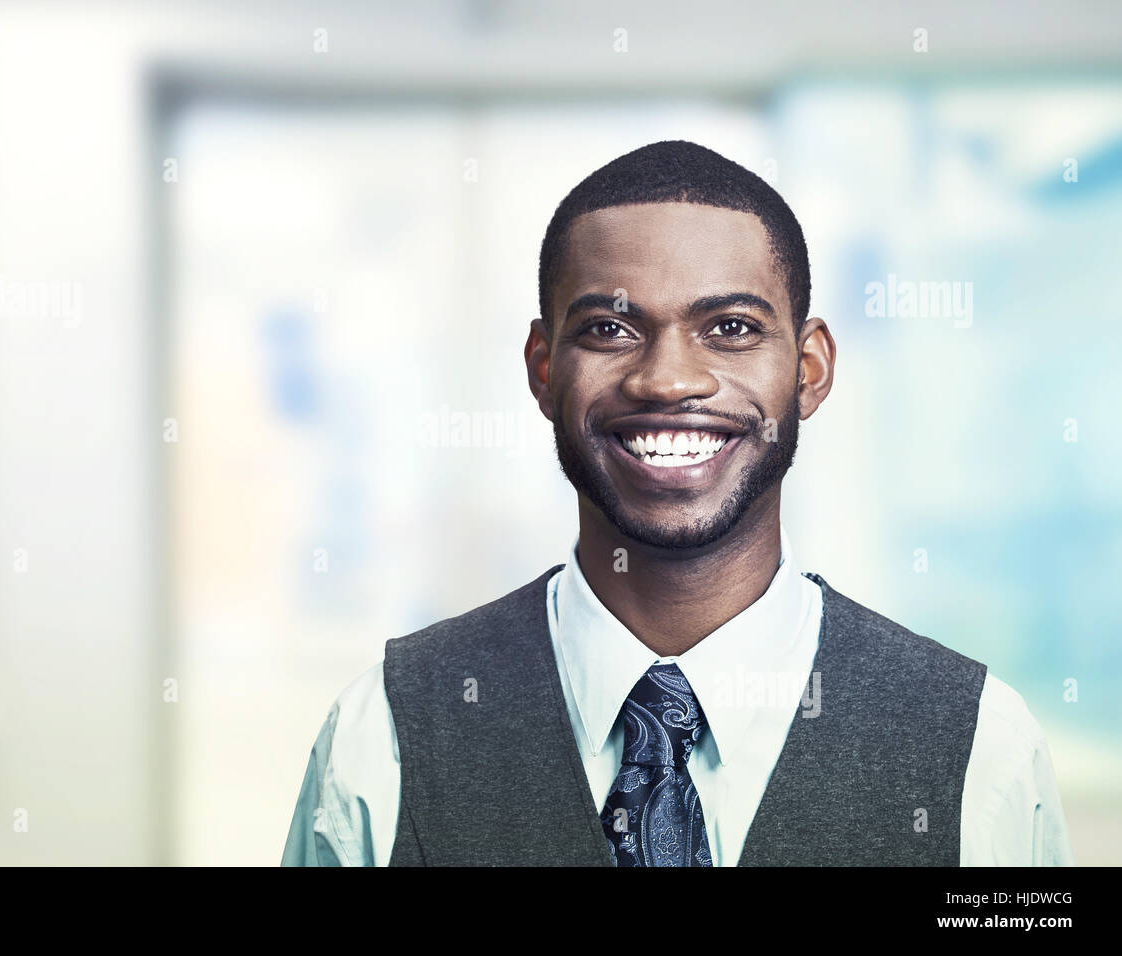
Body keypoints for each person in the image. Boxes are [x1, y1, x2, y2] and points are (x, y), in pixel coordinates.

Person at [281, 140, 1073, 866]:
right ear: (542, 367)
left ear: (810, 370)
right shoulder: (380, 740)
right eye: (610, 329)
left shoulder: (979, 752)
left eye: (729, 327)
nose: (667, 381)